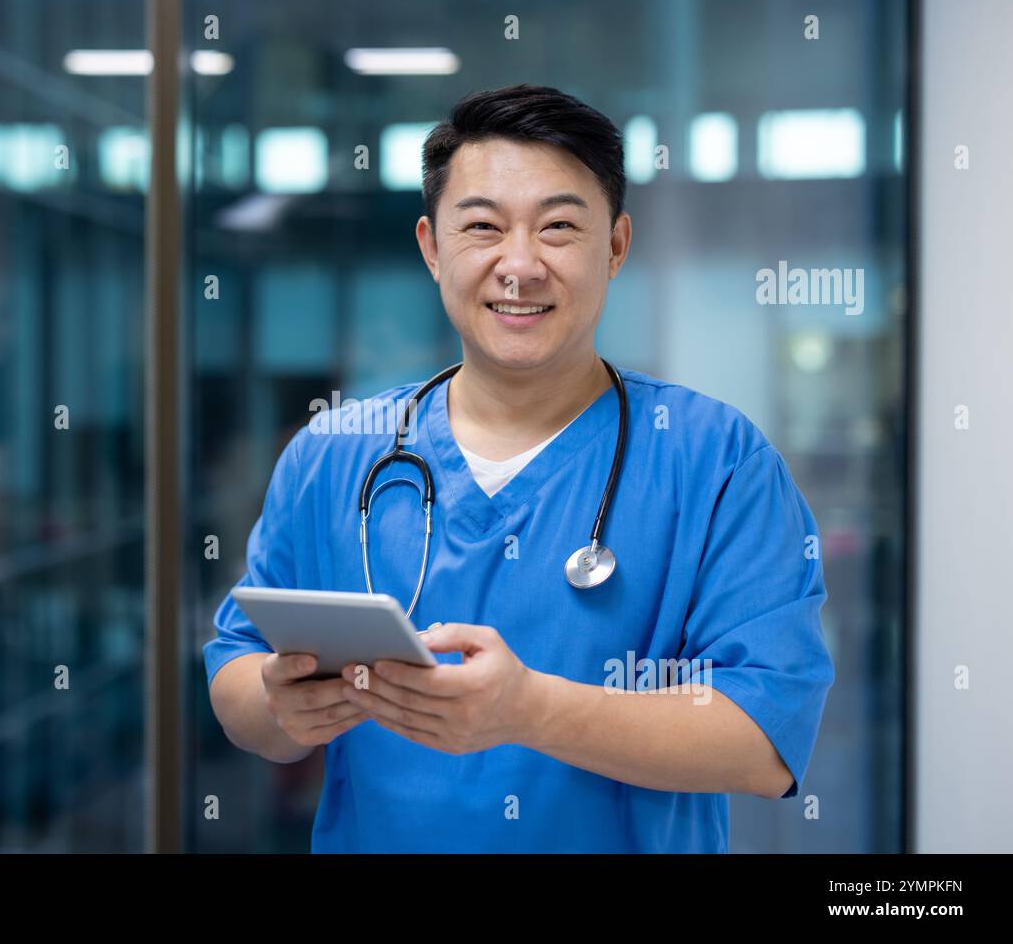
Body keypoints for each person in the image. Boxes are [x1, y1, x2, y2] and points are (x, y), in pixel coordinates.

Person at [204, 83, 835, 852]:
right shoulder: (333, 454)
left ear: (616, 246)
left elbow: (764, 740)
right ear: (433, 249)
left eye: (559, 227)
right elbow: (238, 672)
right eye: (482, 227)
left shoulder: (715, 459)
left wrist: (529, 709)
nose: (520, 264)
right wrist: (282, 711)